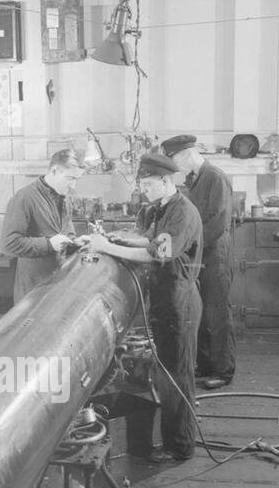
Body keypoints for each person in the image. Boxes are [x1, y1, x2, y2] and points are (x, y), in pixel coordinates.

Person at [86, 151, 203, 462]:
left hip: (180, 302)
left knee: (176, 375)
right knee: (168, 371)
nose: (144, 190)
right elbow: (149, 240)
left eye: (149, 184)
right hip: (167, 299)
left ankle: (180, 447)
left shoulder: (182, 212)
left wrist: (105, 247)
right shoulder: (164, 208)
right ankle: (176, 439)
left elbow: (156, 253)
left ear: (166, 181)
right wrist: (121, 241)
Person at [163, 134, 236, 389]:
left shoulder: (215, 177)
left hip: (215, 255)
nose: (177, 168)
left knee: (217, 313)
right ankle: (206, 365)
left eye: (175, 161)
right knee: (202, 312)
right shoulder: (193, 180)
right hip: (199, 255)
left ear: (186, 154)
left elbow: (218, 223)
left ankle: (224, 371)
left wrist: (187, 243)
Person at [1, 149, 84, 303]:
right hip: (33, 293)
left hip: (57, 287)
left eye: (77, 179)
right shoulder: (25, 198)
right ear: (54, 171)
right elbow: (9, 244)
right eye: (70, 178)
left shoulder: (63, 198)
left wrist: (75, 242)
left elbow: (66, 231)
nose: (73, 185)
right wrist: (48, 244)